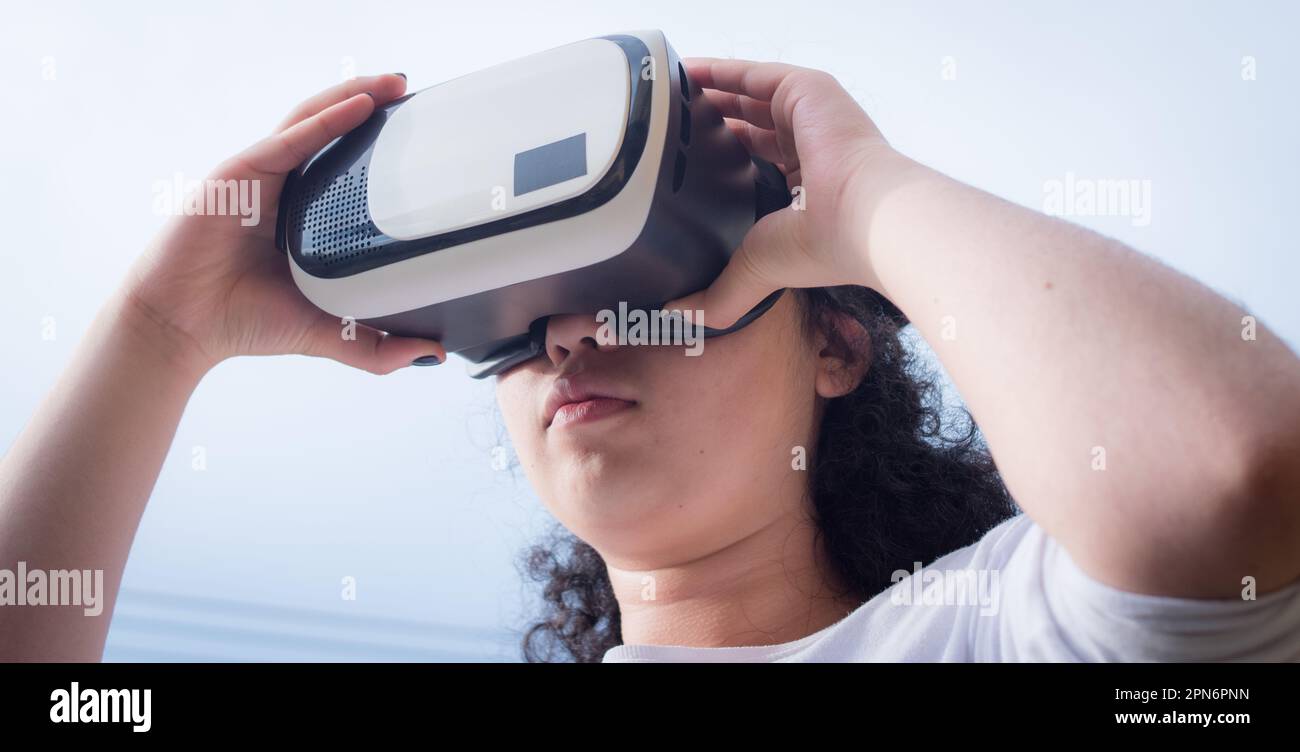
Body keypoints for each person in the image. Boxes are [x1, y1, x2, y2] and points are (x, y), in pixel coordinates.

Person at [2, 61, 1298, 663]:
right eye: (508, 319)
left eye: (637, 292)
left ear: (835, 344)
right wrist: (158, 338)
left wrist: (872, 202)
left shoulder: (1011, 629)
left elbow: (1237, 480)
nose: (568, 335)